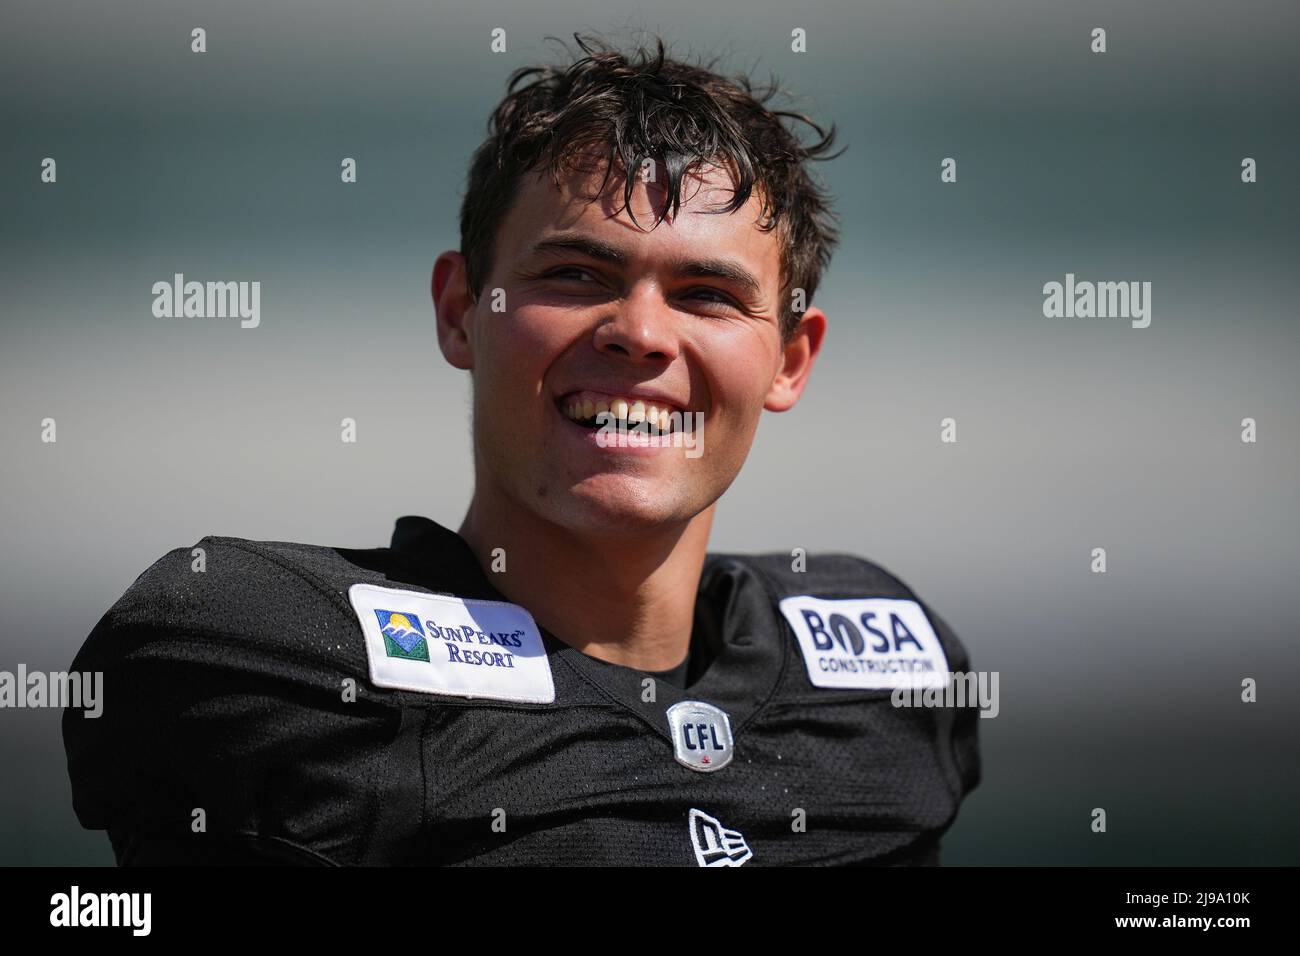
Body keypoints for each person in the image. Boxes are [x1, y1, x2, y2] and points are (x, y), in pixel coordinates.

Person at [63, 32, 980, 866]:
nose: (641, 334)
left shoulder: (887, 674)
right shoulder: (274, 661)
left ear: (790, 359)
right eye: (576, 275)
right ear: (461, 312)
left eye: (706, 294)